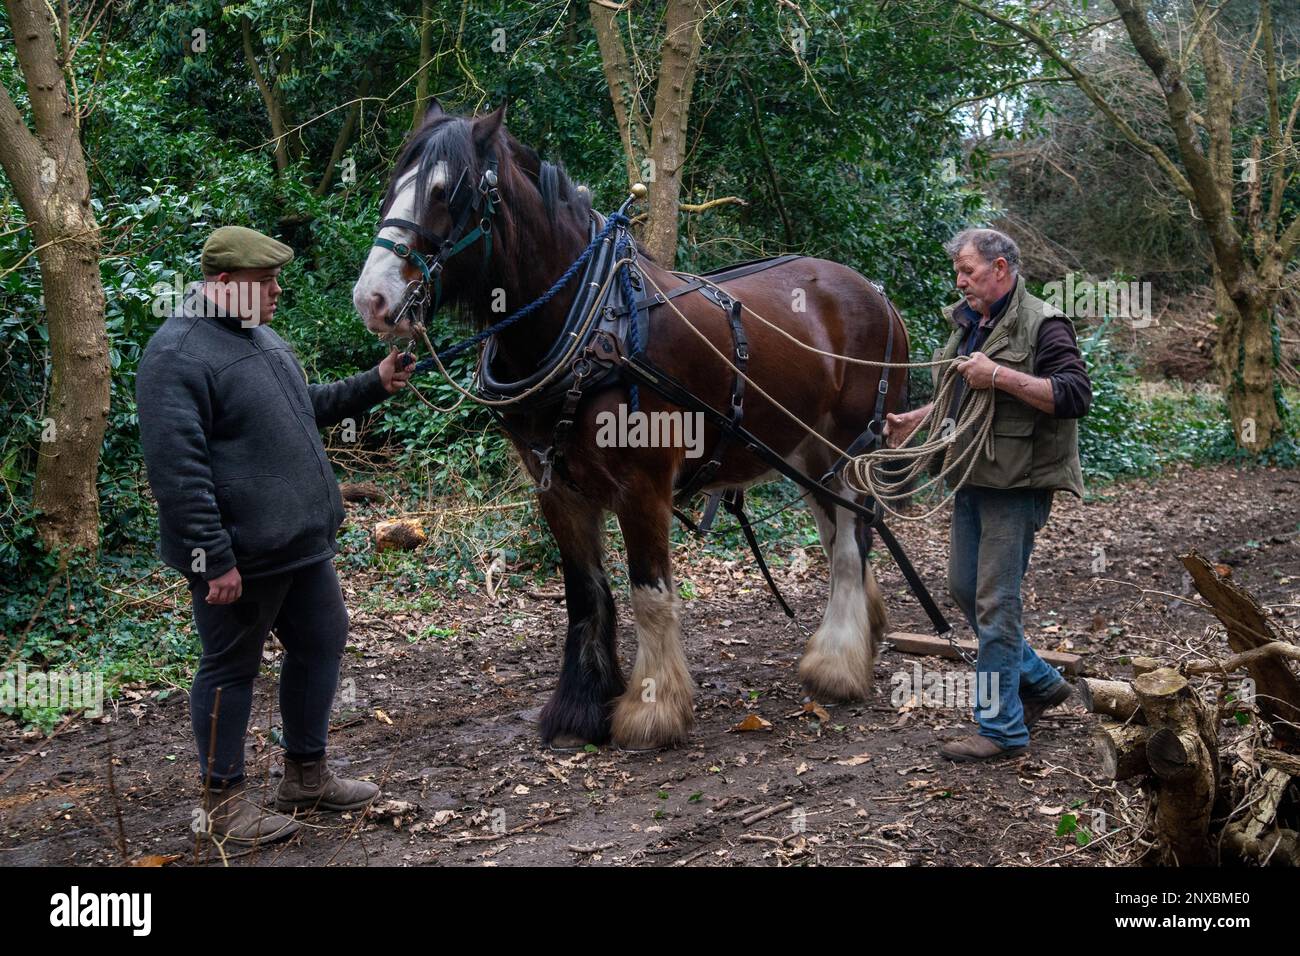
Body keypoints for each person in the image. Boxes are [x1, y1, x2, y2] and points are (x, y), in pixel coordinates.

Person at [136, 225, 413, 842]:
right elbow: (178, 473)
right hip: (241, 558)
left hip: (299, 546)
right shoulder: (176, 354)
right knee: (231, 668)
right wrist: (214, 560)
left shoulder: (258, 337)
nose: (277, 292)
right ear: (224, 284)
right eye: (266, 283)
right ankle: (221, 806)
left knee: (321, 640)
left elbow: (301, 406)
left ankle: (305, 776)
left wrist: (374, 383)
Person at [884, 228, 1092, 762]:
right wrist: (916, 419)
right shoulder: (970, 322)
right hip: (972, 474)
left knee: (996, 604)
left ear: (1001, 269)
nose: (961, 281)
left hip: (1017, 484)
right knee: (962, 588)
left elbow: (1072, 395)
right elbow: (962, 393)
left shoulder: (1045, 323)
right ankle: (1041, 683)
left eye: (969, 272)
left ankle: (1001, 729)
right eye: (958, 272)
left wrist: (998, 374)